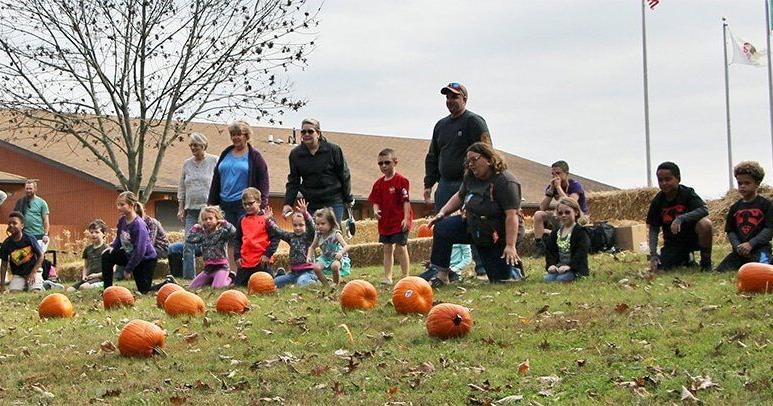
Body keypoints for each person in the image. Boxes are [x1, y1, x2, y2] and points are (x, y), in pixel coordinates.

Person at [427, 142, 524, 284]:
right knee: (443, 227)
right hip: (475, 227)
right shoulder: (470, 177)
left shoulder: (506, 181)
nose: (471, 164)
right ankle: (442, 274)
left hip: (498, 235)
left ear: (489, 160)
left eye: (474, 160)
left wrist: (510, 245)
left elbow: (512, 215)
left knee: (500, 279)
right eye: (468, 161)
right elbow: (460, 196)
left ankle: (514, 269)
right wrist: (442, 213)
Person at [424, 82, 492, 276]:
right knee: (441, 224)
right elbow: (433, 155)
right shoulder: (441, 125)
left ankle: (482, 269)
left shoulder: (474, 121)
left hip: (469, 182)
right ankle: (441, 270)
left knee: (474, 222)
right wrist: (429, 183)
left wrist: (483, 180)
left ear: (464, 99)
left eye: (454, 97)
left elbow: (486, 151)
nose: (450, 101)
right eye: (447, 97)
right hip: (445, 183)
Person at [646, 162, 713, 272]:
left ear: (678, 179)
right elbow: (653, 229)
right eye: (660, 180)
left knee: (705, 224)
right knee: (663, 269)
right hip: (673, 243)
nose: (664, 183)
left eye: (668, 179)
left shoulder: (687, 193)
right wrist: (653, 254)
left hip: (693, 238)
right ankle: (687, 258)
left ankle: (706, 263)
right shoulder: (657, 201)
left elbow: (704, 209)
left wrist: (680, 218)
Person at [283, 118, 353, 223]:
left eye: (310, 131)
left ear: (318, 133)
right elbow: (293, 181)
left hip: (333, 201)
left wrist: (347, 198)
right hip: (311, 203)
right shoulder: (296, 154)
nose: (306, 134)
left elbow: (344, 175)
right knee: (313, 236)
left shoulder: (333, 150)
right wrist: (288, 203)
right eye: (303, 132)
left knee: (333, 235)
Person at [169, 132, 218, 279]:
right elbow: (182, 187)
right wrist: (180, 207)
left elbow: (220, 183)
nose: (192, 147)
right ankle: (189, 278)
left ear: (203, 145)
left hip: (209, 210)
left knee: (213, 242)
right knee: (189, 243)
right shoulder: (187, 164)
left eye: (195, 145)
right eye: (191, 145)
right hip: (191, 210)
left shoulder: (214, 161)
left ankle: (215, 274)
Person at [208, 120, 270, 227]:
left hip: (243, 205)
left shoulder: (254, 156)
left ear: (246, 136)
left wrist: (262, 203)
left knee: (242, 237)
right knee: (227, 237)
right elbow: (216, 178)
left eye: (238, 134)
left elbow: (263, 180)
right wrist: (211, 202)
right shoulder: (226, 153)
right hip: (224, 204)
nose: (235, 137)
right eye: (233, 135)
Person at [716, 161, 772, 272]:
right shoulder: (734, 208)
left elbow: (769, 229)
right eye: (739, 183)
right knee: (720, 271)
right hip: (739, 252)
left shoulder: (766, 205)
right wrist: (737, 246)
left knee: (762, 271)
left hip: (759, 249)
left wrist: (751, 244)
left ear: (757, 183)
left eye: (747, 183)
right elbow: (730, 231)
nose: (742, 186)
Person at [368, 148, 413, 285]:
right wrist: (376, 211)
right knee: (387, 248)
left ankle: (406, 276)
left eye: (387, 162)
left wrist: (406, 218)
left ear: (395, 162)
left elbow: (406, 201)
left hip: (399, 220)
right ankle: (388, 277)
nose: (383, 166)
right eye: (380, 164)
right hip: (385, 221)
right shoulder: (378, 184)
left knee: (401, 247)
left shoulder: (402, 181)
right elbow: (375, 201)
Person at [101, 191, 160, 294]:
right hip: (130, 254)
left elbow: (140, 251)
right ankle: (107, 290)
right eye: (118, 205)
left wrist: (128, 269)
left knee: (144, 290)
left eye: (122, 204)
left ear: (131, 205)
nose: (119, 207)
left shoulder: (139, 225)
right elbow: (120, 237)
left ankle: (168, 282)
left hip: (145, 260)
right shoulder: (122, 220)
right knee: (107, 255)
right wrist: (113, 247)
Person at [533, 161, 589, 256]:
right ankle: (540, 246)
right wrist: (550, 191)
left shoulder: (575, 185)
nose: (555, 176)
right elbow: (542, 207)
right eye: (553, 174)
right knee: (538, 215)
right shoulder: (552, 187)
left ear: (566, 173)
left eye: (558, 173)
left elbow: (571, 204)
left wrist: (558, 188)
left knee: (565, 215)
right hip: (562, 215)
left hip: (578, 216)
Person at [271, 198, 319, 288]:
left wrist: (305, 214)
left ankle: (315, 281)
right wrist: (269, 221)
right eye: (295, 225)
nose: (297, 228)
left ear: (305, 225)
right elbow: (278, 231)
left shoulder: (308, 236)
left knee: (302, 282)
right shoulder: (291, 237)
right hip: (293, 273)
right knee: (274, 282)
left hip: (307, 271)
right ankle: (281, 276)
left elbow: (312, 227)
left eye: (301, 225)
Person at [233, 187, 277, 286]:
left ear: (259, 201)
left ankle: (278, 275)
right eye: (245, 204)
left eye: (251, 203)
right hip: (245, 261)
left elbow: (275, 238)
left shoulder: (267, 218)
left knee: (266, 285)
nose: (247, 206)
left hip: (261, 261)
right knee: (239, 287)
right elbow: (237, 239)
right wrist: (237, 256)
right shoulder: (242, 220)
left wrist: (267, 254)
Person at [186, 206, 238, 289]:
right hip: (208, 268)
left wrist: (226, 224)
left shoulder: (222, 232)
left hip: (221, 267)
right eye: (205, 219)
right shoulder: (202, 234)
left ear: (217, 219)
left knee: (216, 288)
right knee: (192, 287)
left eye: (210, 218)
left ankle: (230, 278)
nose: (208, 221)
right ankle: (211, 279)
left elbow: (234, 233)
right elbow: (189, 240)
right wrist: (195, 228)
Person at [544, 197, 590, 282]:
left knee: (561, 279)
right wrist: (551, 265)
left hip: (575, 268)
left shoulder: (580, 232)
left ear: (576, 212)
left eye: (567, 212)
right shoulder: (555, 233)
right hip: (559, 267)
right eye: (560, 213)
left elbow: (582, 252)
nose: (563, 215)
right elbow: (550, 251)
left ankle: (576, 276)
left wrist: (570, 266)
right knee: (548, 279)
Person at [0, 211, 44, 292]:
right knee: (14, 292)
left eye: (14, 223)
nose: (11, 225)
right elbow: (3, 265)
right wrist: (2, 285)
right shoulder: (6, 244)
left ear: (22, 226)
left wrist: (33, 273)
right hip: (18, 275)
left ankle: (46, 285)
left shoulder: (29, 238)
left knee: (35, 291)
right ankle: (25, 286)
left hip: (33, 271)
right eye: (9, 223)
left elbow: (41, 255)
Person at [308, 207, 351, 287]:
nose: (319, 226)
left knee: (334, 266)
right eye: (317, 224)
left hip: (337, 257)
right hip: (326, 257)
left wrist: (340, 253)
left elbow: (347, 246)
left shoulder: (336, 234)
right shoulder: (318, 234)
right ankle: (326, 285)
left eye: (323, 224)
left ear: (331, 223)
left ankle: (335, 284)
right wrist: (309, 257)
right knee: (316, 268)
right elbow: (312, 247)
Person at [67, 219, 108, 292]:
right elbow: (86, 266)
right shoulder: (88, 249)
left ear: (103, 234)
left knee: (83, 287)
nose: (93, 234)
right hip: (90, 278)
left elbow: (112, 269)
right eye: (91, 232)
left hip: (102, 278)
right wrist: (84, 275)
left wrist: (96, 275)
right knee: (69, 290)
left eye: (97, 232)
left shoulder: (107, 249)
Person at [13, 180, 50, 251]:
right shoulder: (20, 202)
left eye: (30, 188)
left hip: (38, 235)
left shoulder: (42, 202)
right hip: (24, 235)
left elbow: (46, 220)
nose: (28, 190)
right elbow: (15, 218)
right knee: (24, 258)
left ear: (35, 189)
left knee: (38, 257)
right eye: (27, 188)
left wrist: (45, 234)